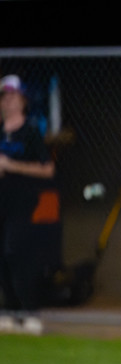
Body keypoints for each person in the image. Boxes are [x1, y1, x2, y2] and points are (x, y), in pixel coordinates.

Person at [0, 74, 55, 333]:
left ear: (22, 100)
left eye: (12, 96)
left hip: (23, 203)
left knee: (16, 252)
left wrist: (13, 166)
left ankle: (30, 311)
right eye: (3, 96)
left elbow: (47, 170)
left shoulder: (30, 131)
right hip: (2, 202)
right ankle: (9, 312)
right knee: (2, 255)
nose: (7, 101)